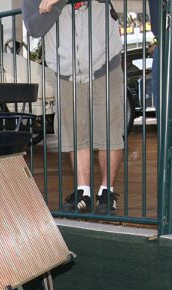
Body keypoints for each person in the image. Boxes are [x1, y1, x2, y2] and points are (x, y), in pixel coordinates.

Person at [23, 0, 124, 215]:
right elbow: (35, 28)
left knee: (110, 130)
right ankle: (83, 191)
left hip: (105, 65)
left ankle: (107, 191)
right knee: (74, 133)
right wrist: (58, 5)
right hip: (66, 72)